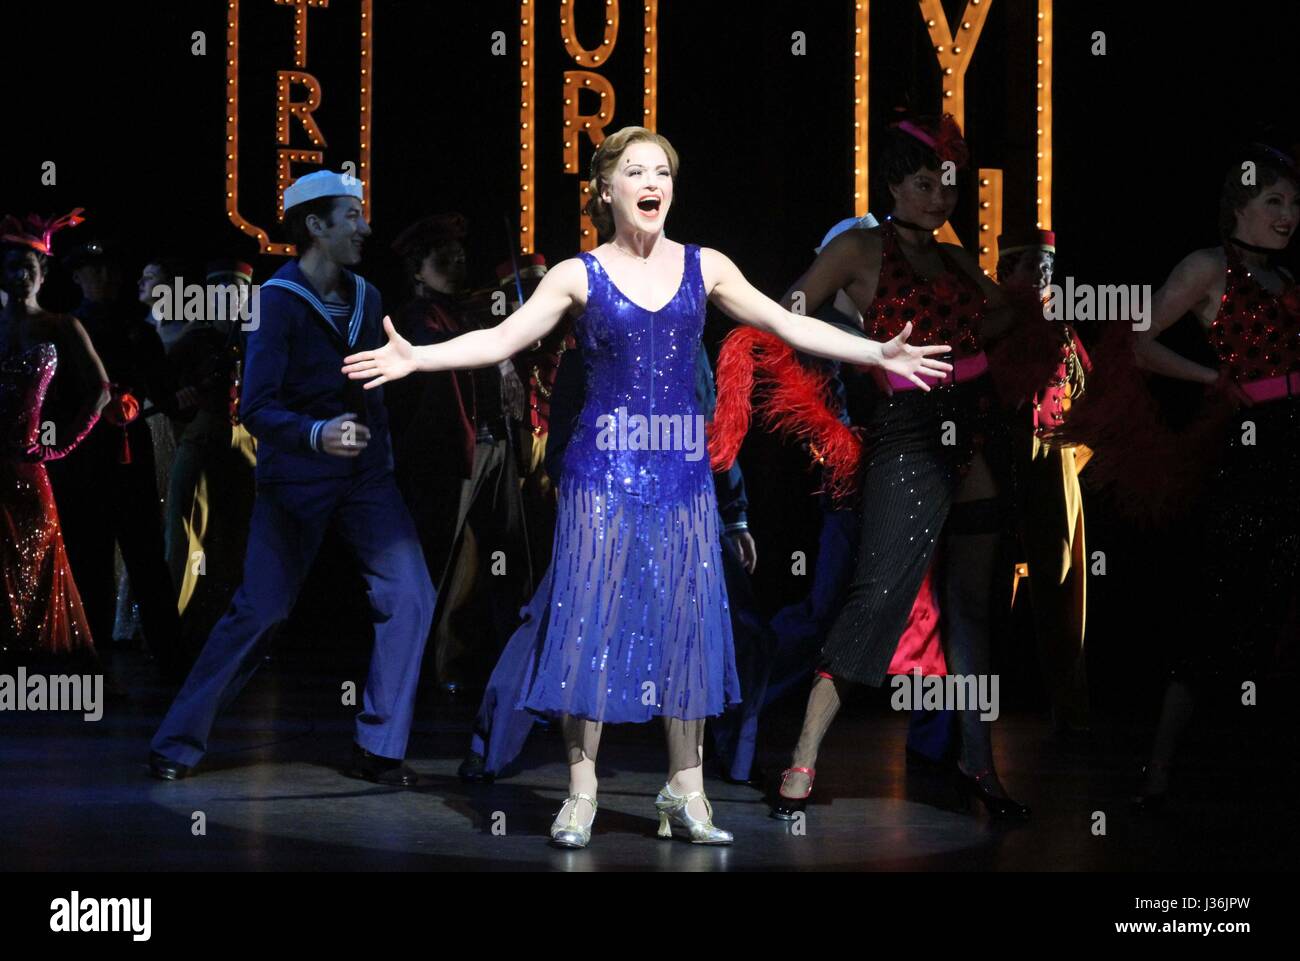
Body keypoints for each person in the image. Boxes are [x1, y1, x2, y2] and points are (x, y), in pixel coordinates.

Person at [343, 126, 952, 846]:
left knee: (686, 631)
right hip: (601, 474)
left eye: (662, 169)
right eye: (636, 170)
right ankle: (582, 790)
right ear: (607, 190)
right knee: (586, 629)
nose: (652, 180)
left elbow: (787, 322)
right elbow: (502, 340)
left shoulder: (706, 266)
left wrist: (876, 349)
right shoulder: (578, 274)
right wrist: (420, 358)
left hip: (682, 480)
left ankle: (685, 791)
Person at [713, 114, 1031, 821]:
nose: (941, 198)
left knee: (972, 612)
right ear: (892, 182)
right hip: (911, 431)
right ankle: (803, 753)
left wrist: (1029, 310)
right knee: (876, 597)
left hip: (977, 430)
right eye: (925, 184)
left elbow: (995, 323)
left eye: (949, 185)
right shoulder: (860, 247)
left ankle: (979, 763)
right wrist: (851, 355)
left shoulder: (952, 260)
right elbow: (786, 312)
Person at [148, 171, 435, 785]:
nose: (364, 227)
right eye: (351, 216)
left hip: (365, 478)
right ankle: (177, 739)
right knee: (262, 609)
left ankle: (381, 745)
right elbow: (256, 406)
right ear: (315, 226)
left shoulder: (368, 296)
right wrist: (316, 434)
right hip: (298, 478)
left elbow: (374, 385)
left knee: (411, 593)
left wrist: (376, 444)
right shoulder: (276, 301)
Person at [1060, 144, 1300, 810]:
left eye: (1295, 202)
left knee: (1280, 611)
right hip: (1253, 448)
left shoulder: (1287, 279)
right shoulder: (1208, 266)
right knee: (1221, 607)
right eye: (1274, 201)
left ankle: (1262, 762)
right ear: (1239, 206)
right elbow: (1135, 340)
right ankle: (1161, 765)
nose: (1289, 215)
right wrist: (1211, 380)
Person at [0, 212, 110, 655]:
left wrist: (62, 443)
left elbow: (100, 391)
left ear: (42, 275)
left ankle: (35, 663)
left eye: (29, 268)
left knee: (36, 561)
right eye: (11, 267)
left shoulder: (61, 326)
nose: (20, 275)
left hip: (29, 465)